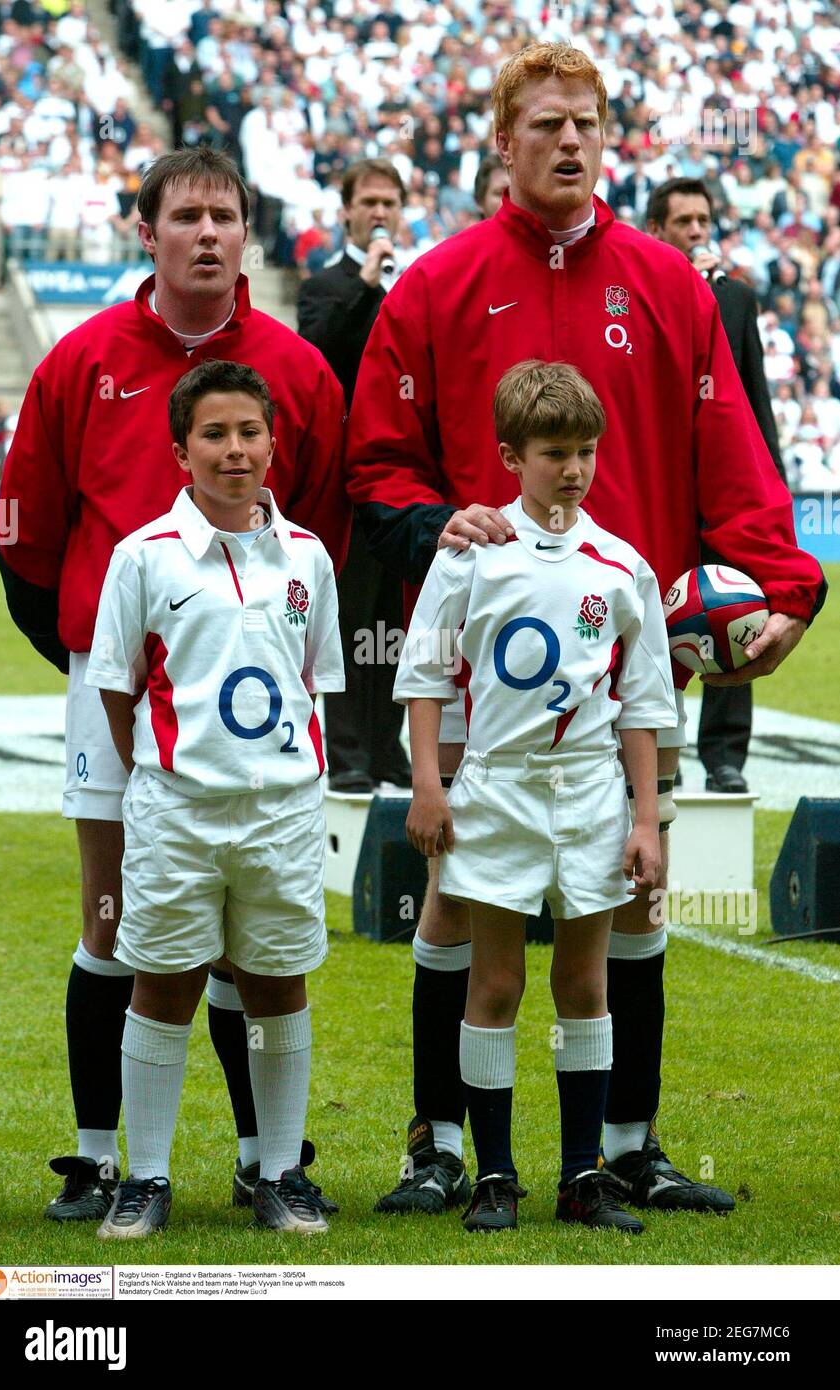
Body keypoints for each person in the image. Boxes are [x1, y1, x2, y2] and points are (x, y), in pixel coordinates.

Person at [347, 42, 826, 1220]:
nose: (570, 142)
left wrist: (782, 589)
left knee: (634, 898)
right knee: (459, 901)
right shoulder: (434, 286)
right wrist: (430, 530)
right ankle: (438, 1144)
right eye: (547, 124)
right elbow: (377, 465)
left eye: (589, 124)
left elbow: (734, 465)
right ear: (502, 142)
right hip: (477, 664)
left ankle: (627, 1142)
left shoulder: (671, 287)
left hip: (624, 664)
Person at [0, 147, 350, 1223]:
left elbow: (319, 531)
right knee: (114, 919)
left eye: (225, 215)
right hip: (116, 697)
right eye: (186, 214)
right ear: (144, 231)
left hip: (249, 710)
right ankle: (103, 1158)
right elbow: (30, 539)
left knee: (256, 936)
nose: (208, 232)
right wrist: (100, 663)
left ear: (248, 234)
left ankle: (261, 1159)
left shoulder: (294, 368)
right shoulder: (82, 359)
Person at [396, 360, 678, 1232]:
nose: (573, 469)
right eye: (554, 451)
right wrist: (429, 788)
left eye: (586, 451)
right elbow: (423, 679)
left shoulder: (620, 565)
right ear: (510, 455)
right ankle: (494, 1174)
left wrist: (643, 819)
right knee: (495, 983)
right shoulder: (469, 557)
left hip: (591, 795)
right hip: (498, 794)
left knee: (582, 984)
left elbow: (641, 707)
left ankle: (578, 1176)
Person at [90, 360, 344, 1238]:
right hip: (177, 813)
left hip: (280, 811)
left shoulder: (308, 555)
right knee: (164, 985)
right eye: (213, 434)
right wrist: (169, 776)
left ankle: (280, 1172)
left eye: (248, 433)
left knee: (277, 986)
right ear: (180, 451)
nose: (233, 450)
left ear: (273, 443)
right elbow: (118, 691)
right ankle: (147, 1177)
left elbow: (318, 683)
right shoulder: (143, 557)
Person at [646, 177, 786, 796]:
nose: (698, 231)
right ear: (657, 231)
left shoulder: (738, 300)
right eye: (684, 222)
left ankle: (725, 754)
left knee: (737, 609)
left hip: (723, 488)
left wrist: (770, 476)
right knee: (656, 612)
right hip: (661, 483)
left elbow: (753, 398)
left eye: (704, 220)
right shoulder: (636, 293)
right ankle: (647, 735)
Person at [297, 158, 411, 793]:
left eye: (388, 202)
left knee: (393, 624)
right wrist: (367, 284)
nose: (378, 213)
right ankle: (346, 754)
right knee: (346, 622)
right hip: (346, 481)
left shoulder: (417, 283)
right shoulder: (325, 285)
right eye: (367, 202)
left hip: (405, 482)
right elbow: (316, 360)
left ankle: (386, 746)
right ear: (346, 212)